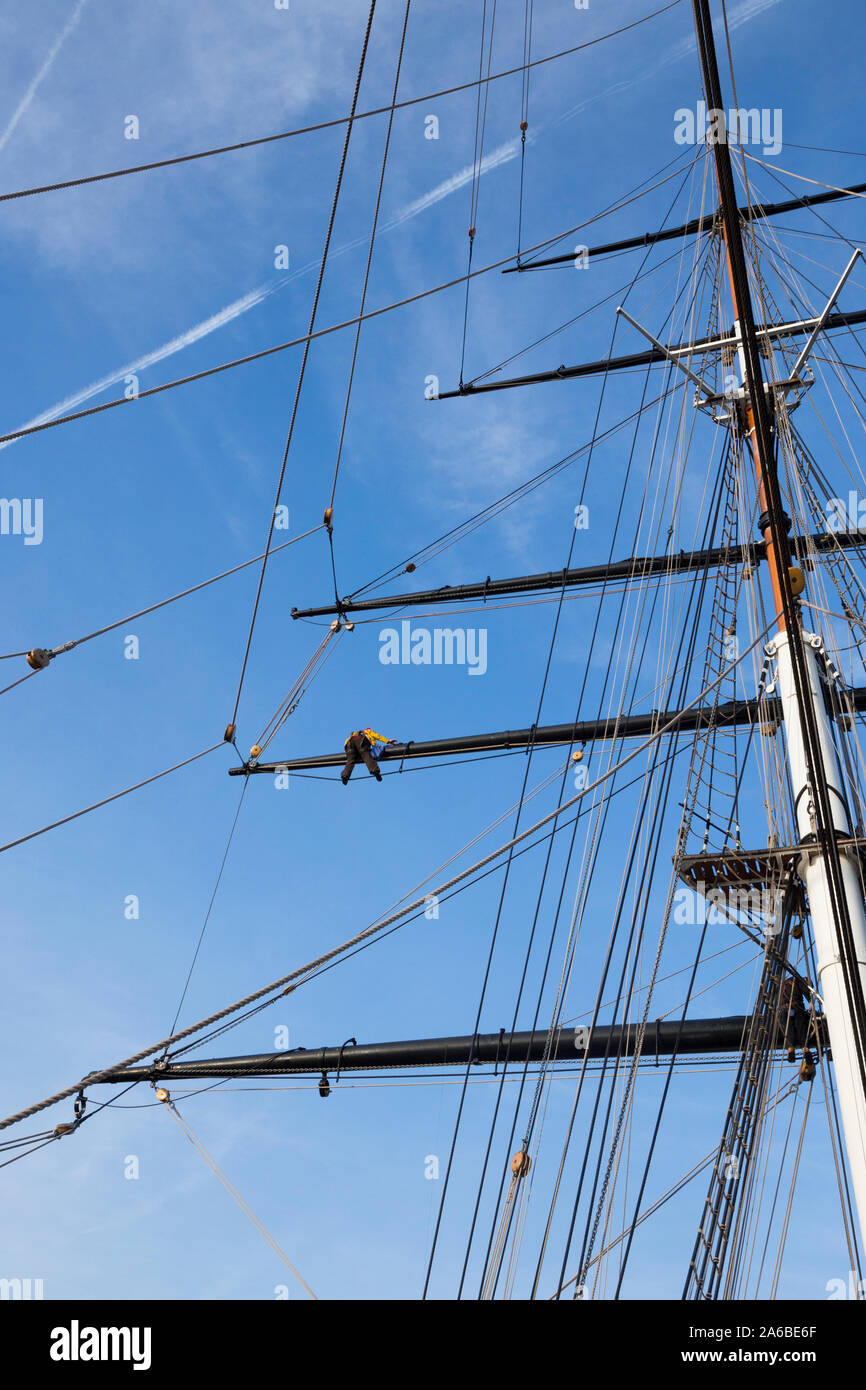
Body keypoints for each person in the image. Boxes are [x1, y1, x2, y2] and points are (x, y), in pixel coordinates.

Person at [778, 975, 809, 1063]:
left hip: (784, 1009)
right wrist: (810, 1001)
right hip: (797, 1007)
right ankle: (805, 1048)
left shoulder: (782, 985)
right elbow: (805, 990)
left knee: (788, 1028)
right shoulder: (800, 980)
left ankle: (790, 1048)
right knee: (801, 1026)